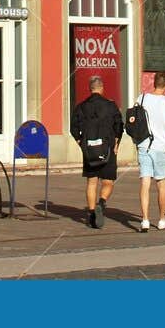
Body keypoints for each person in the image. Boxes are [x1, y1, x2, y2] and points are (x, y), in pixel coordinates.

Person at [71, 75, 123, 229]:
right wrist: (117, 143)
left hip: (90, 150)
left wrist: (81, 142)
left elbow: (74, 128)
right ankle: (102, 202)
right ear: (102, 88)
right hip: (107, 148)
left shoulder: (81, 107)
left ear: (90, 89)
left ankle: (92, 213)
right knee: (108, 182)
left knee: (91, 182)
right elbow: (119, 125)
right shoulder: (111, 105)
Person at [136, 71, 165, 232]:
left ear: (153, 82)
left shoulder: (141, 98)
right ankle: (162, 219)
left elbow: (134, 122)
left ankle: (145, 220)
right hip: (161, 147)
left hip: (144, 145)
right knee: (161, 183)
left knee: (145, 182)